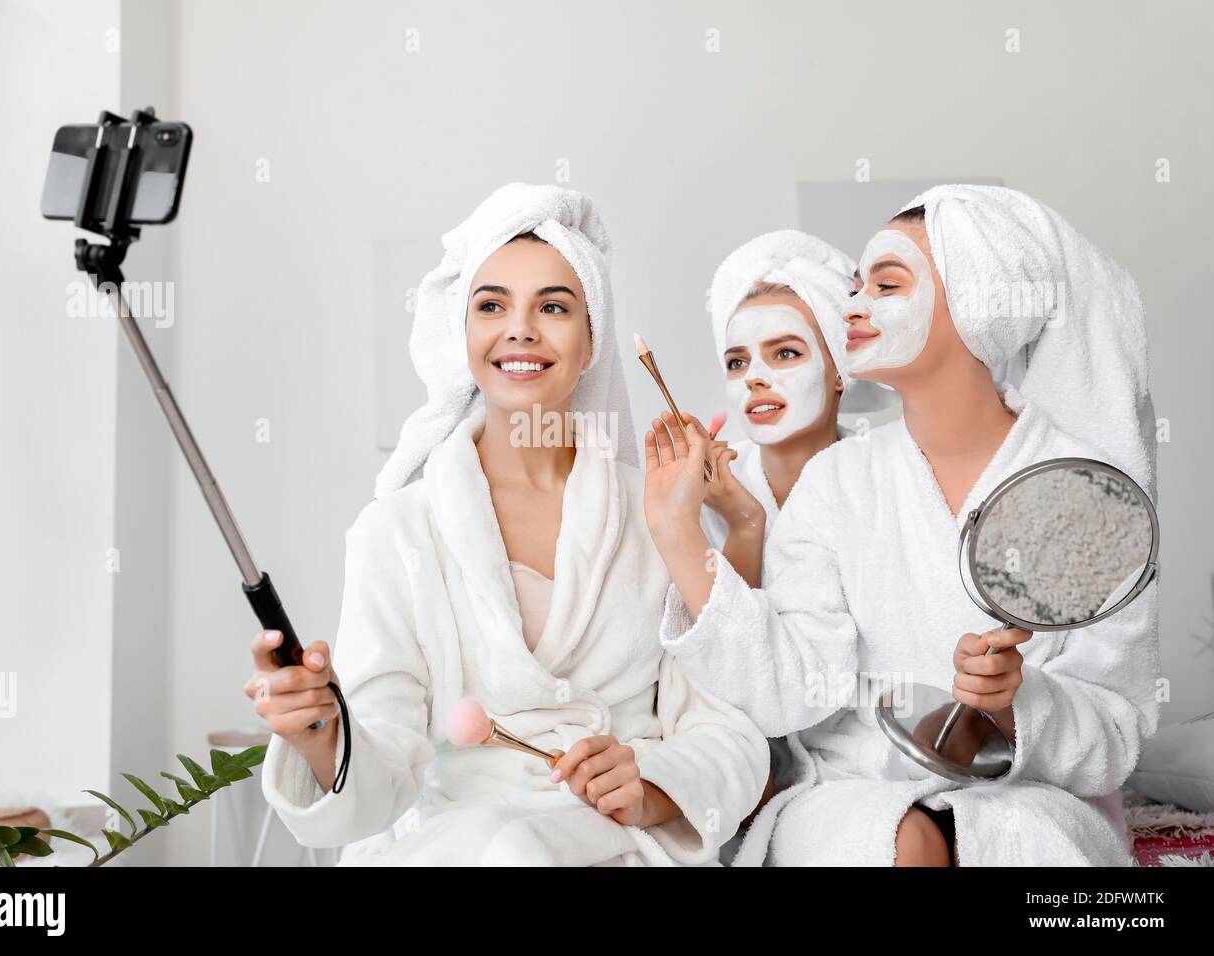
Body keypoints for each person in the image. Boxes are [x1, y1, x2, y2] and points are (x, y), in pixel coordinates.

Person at [248, 183, 768, 866]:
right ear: (465, 337)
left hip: (614, 846)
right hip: (452, 848)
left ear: (590, 344)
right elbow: (385, 762)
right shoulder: (395, 534)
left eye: (553, 307)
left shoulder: (659, 519)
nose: (520, 328)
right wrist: (322, 735)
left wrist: (655, 787)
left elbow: (729, 731)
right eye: (492, 305)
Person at [644, 185, 1160, 866]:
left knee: (1029, 846)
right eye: (857, 286)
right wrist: (681, 536)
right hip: (854, 784)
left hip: (1027, 794)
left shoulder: (1084, 490)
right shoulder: (839, 481)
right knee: (897, 842)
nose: (853, 306)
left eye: (886, 285)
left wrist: (1018, 705)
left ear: (979, 302)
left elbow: (1115, 730)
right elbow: (791, 689)